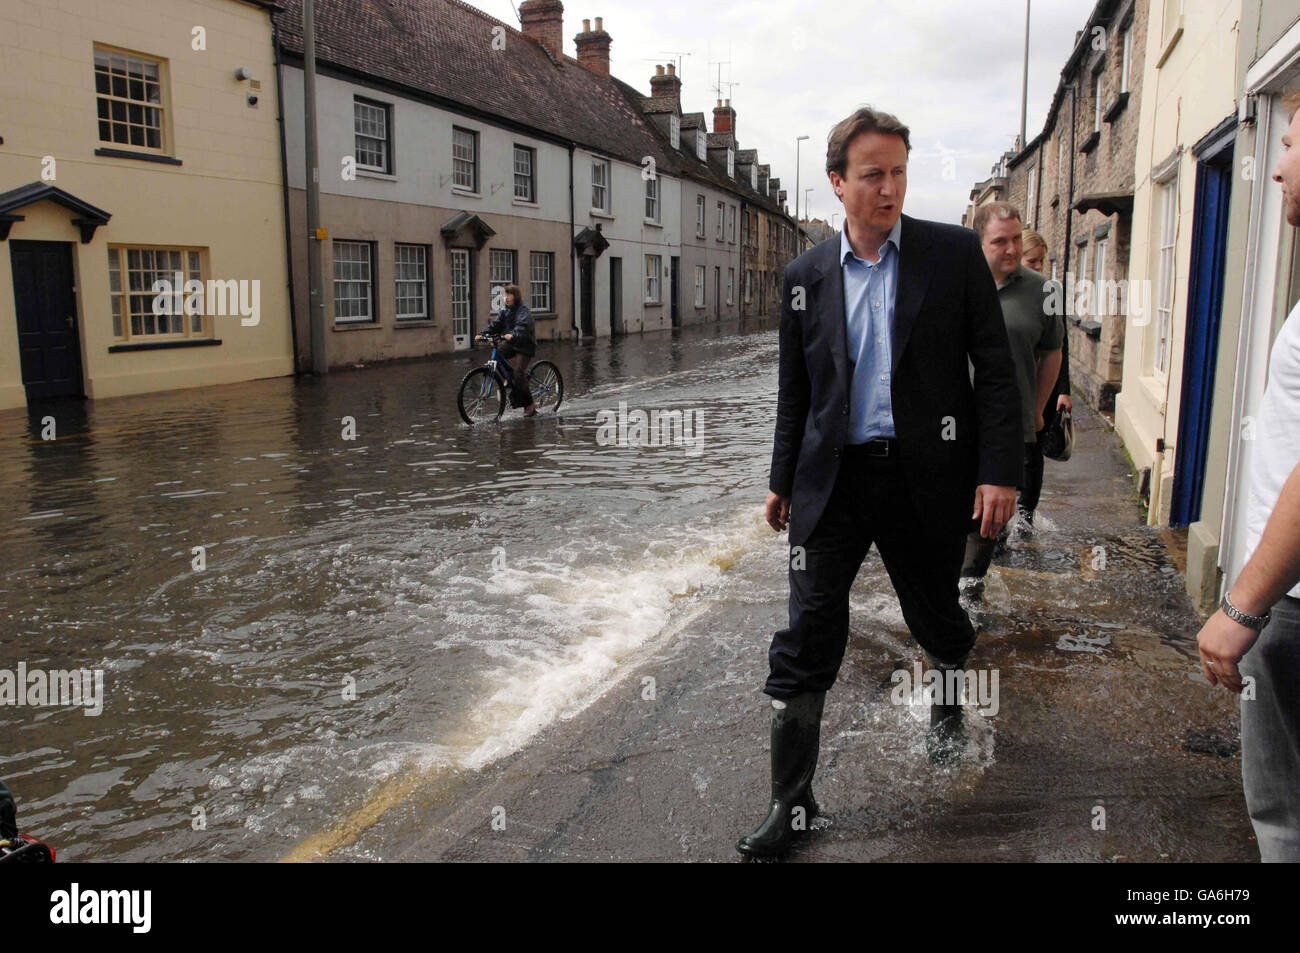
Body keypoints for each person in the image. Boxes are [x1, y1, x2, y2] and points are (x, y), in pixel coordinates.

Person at [737, 106, 1022, 858]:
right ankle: (792, 804)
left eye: (898, 172)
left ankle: (949, 707)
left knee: (937, 617)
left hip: (927, 478)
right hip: (832, 483)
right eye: (872, 175)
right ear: (838, 183)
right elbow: (795, 389)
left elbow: (994, 372)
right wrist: (780, 478)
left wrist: (999, 470)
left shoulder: (952, 255)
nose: (889, 188)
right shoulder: (804, 276)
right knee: (806, 633)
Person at [1195, 88, 1300, 862]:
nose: (1276, 168)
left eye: (1291, 145)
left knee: (1280, 809)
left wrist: (1245, 603)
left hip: (1290, 601)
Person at [959, 204, 1063, 588]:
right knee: (955, 510)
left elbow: (1053, 351)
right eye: (1000, 241)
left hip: (1012, 424)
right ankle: (954, 585)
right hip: (957, 423)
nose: (1012, 248)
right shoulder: (957, 285)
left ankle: (972, 589)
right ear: (978, 242)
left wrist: (1038, 408)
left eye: (1017, 238)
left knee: (992, 516)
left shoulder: (1047, 291)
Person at [476, 284, 537, 417]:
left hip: (524, 344)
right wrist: (483, 333)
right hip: (511, 343)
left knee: (518, 373)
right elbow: (496, 324)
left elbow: (522, 325)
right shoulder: (505, 310)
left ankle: (530, 405)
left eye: (509, 295)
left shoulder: (523, 310)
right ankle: (509, 380)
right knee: (499, 352)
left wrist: (513, 334)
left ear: (516, 297)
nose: (506, 298)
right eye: (505, 295)